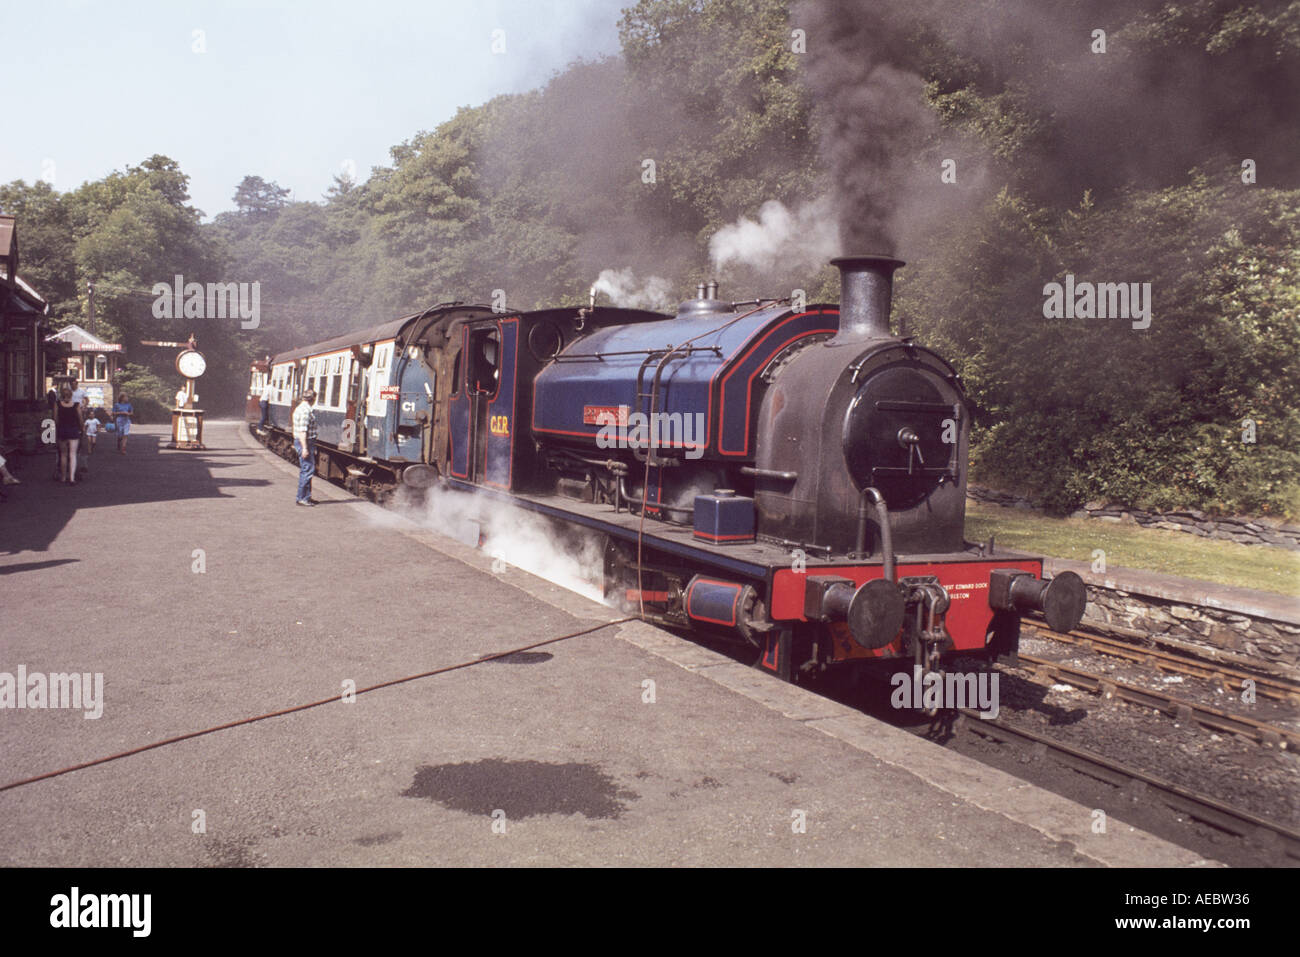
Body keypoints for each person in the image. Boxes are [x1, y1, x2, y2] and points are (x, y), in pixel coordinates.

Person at [292, 389, 318, 506]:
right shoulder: (305, 411)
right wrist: (305, 448)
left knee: (308, 469)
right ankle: (302, 498)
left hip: (306, 442)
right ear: (313, 399)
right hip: (305, 442)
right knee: (307, 470)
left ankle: (306, 497)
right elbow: (302, 431)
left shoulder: (301, 408)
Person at [55, 385, 83, 484]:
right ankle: (71, 478)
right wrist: (81, 428)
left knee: (63, 455)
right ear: (71, 395)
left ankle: (63, 477)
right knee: (73, 455)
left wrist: (58, 429)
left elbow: (56, 419)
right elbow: (80, 418)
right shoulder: (76, 405)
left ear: (61, 395)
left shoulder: (57, 404)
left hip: (62, 430)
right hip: (73, 430)